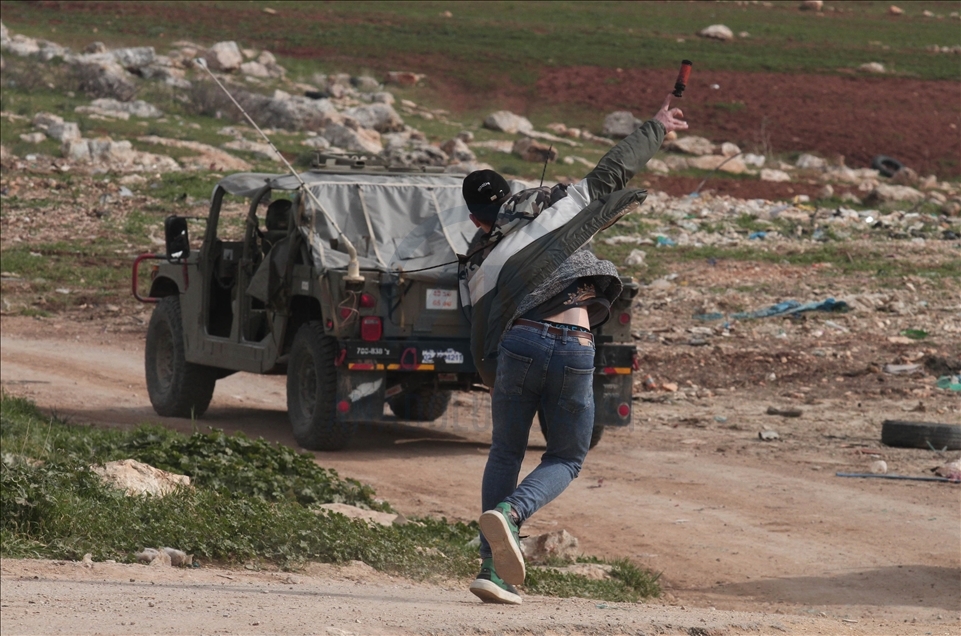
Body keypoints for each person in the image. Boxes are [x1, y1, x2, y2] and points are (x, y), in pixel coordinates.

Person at [460, 95, 688, 605]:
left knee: (506, 449)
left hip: (517, 345)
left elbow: (480, 342)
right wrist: (656, 127)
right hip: (575, 341)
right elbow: (612, 172)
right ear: (516, 195)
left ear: (478, 221)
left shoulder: (480, 266)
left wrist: (499, 382)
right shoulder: (556, 210)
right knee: (566, 455)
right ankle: (513, 515)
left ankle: (490, 570)